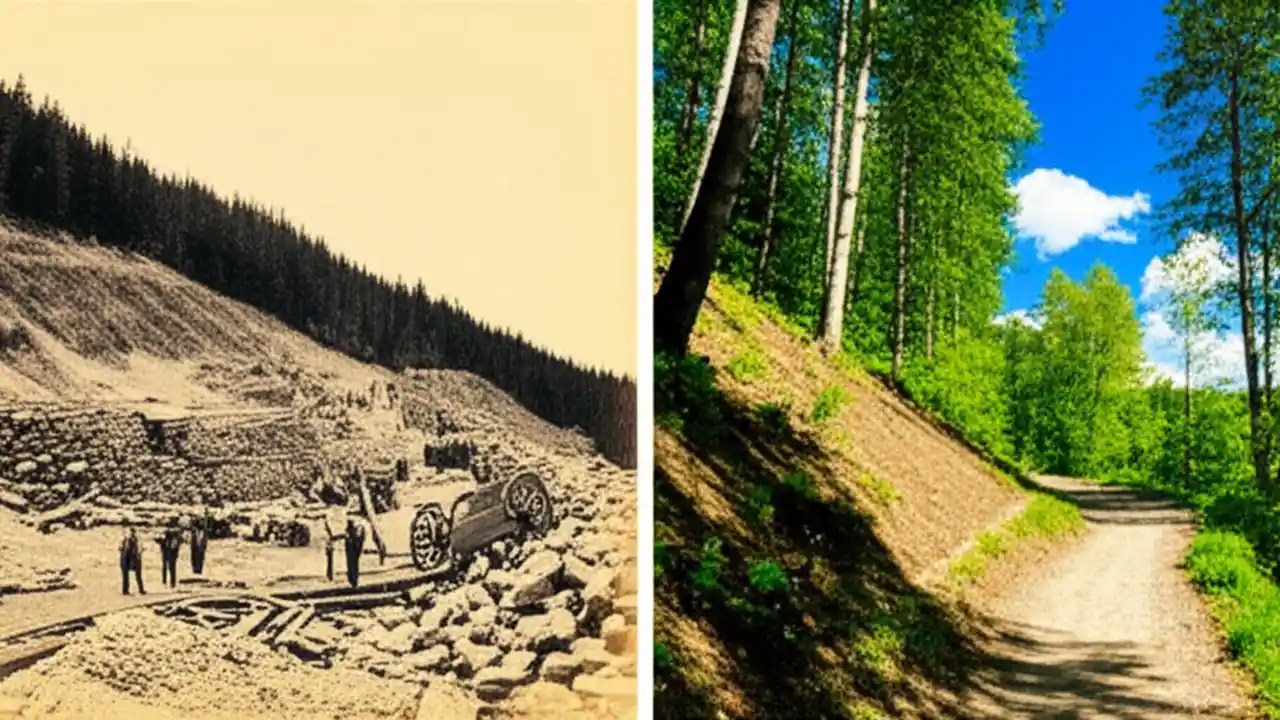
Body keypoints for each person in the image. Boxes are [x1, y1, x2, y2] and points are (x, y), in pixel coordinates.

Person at [157, 521, 183, 589]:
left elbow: (158, 540)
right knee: (171, 568)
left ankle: (166, 582)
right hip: (170, 553)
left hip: (168, 553)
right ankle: (171, 583)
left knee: (167, 568)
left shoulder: (169, 534)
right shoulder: (175, 534)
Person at [119, 527, 145, 595]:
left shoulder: (130, 540)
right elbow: (123, 549)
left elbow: (121, 549)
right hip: (129, 559)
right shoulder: (128, 540)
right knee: (132, 576)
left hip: (129, 559)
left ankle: (139, 589)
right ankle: (127, 590)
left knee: (135, 575)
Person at [344, 517, 366, 588]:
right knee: (353, 564)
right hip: (352, 549)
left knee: (353, 564)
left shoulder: (357, 528)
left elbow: (360, 539)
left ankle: (353, 581)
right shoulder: (351, 530)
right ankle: (353, 581)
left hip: (353, 549)